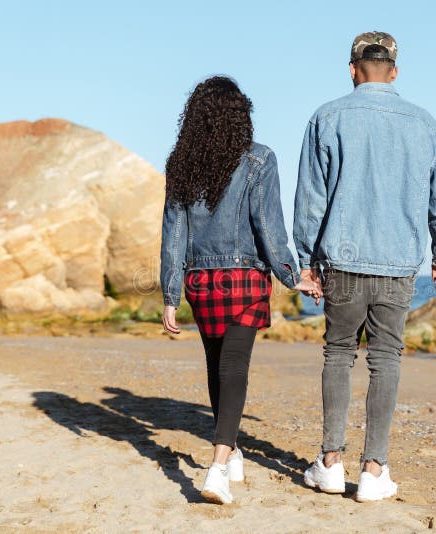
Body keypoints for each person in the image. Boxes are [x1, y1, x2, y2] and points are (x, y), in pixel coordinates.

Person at [293, 32, 436, 502]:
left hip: (341, 259)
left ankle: (329, 463)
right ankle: (373, 469)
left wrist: (306, 261)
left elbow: (311, 199)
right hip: (397, 261)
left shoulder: (327, 116)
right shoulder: (424, 123)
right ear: (395, 71)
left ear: (352, 68)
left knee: (338, 354)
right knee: (386, 359)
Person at [160, 76, 320, 505]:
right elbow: (268, 226)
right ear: (241, 116)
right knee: (234, 368)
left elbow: (173, 235)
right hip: (244, 280)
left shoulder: (181, 164)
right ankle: (217, 467)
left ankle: (233, 454)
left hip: (202, 283)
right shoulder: (259, 159)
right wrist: (292, 275)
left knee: (218, 367)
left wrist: (170, 295)